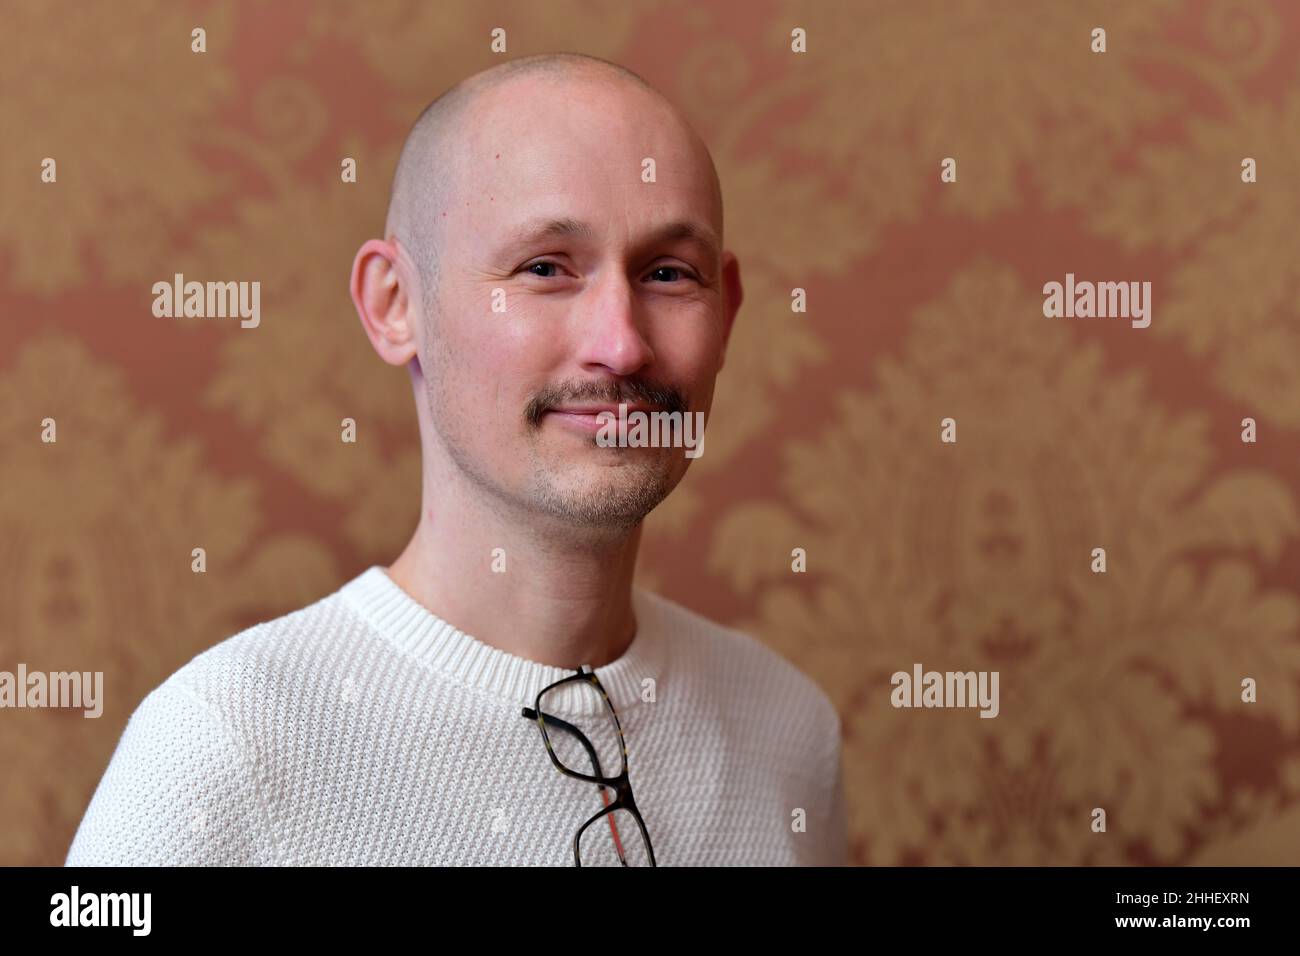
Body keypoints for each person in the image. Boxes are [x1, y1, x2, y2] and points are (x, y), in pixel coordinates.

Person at [66, 52, 846, 866]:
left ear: (727, 314)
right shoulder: (223, 747)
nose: (621, 344)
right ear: (395, 304)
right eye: (545, 268)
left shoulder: (789, 731)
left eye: (667, 274)